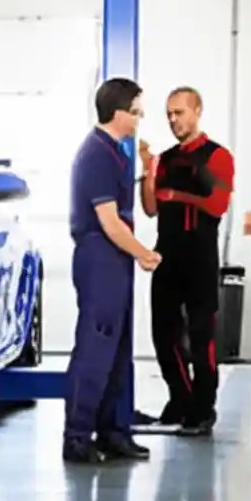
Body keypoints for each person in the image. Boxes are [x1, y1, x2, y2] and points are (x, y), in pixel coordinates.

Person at [62, 77, 161, 464]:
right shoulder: (96, 155)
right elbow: (109, 221)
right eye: (135, 112)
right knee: (96, 347)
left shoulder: (116, 152)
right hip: (100, 256)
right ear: (118, 111)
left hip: (114, 258)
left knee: (118, 350)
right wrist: (143, 253)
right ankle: (77, 437)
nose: (139, 119)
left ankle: (113, 431)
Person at [137, 86, 235, 435]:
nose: (173, 120)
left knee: (201, 335)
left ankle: (203, 408)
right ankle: (180, 399)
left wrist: (175, 194)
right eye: (169, 114)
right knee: (163, 334)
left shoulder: (217, 156)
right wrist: (148, 172)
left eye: (179, 112)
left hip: (200, 257)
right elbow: (150, 208)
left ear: (197, 111)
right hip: (167, 254)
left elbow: (217, 204)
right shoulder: (163, 159)